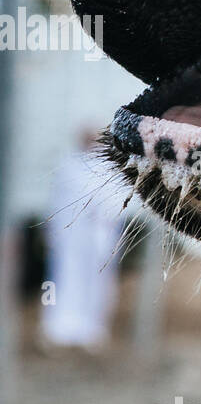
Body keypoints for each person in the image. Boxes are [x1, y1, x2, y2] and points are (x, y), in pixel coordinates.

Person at [39, 129, 122, 351]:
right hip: (69, 238)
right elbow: (57, 202)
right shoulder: (68, 166)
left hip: (97, 238)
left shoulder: (108, 169)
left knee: (98, 283)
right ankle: (55, 328)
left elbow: (114, 205)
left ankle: (92, 329)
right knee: (59, 280)